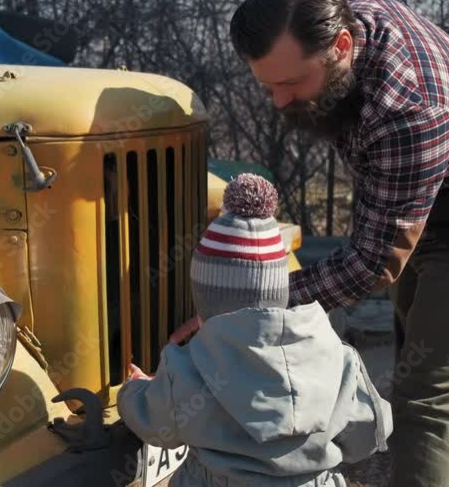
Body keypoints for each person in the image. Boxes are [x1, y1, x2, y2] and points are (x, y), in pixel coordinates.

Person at [171, 0, 449, 486]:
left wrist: (246, 307)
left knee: (429, 394)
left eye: (291, 83)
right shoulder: (326, 15)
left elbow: (372, 263)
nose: (279, 101)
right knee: (412, 354)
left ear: (342, 45)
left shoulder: (406, 111)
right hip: (426, 191)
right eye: (267, 84)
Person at [119, 174, 392, 487]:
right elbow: (365, 434)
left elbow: (152, 421)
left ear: (203, 306)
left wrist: (134, 388)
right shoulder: (337, 358)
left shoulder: (187, 368)